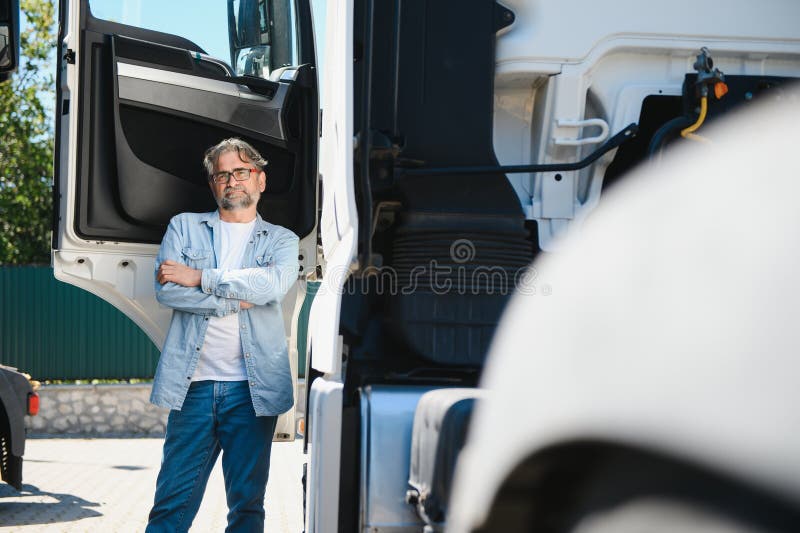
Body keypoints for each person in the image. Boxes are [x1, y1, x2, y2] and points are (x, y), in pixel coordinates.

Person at [145, 138, 300, 532]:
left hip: (253, 390)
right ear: (214, 184)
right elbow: (167, 290)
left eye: (241, 172)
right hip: (192, 387)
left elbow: (271, 287)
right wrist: (236, 299)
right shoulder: (184, 226)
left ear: (260, 180)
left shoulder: (281, 240)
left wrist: (201, 278)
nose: (232, 180)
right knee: (170, 506)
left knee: (247, 508)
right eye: (223, 174)